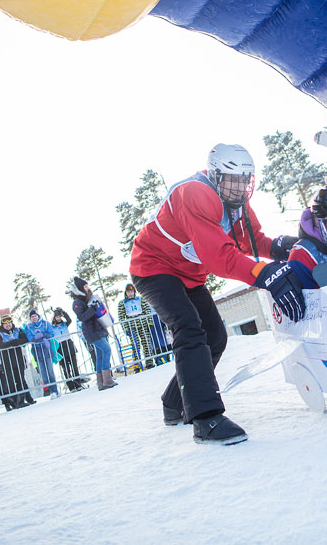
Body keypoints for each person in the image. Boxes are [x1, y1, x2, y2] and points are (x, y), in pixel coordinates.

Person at [129, 143, 311, 445]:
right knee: (188, 327)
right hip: (153, 267)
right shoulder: (195, 194)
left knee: (215, 336)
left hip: (188, 274)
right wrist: (264, 275)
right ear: (216, 176)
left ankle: (174, 403)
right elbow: (221, 257)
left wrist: (287, 246)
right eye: (233, 179)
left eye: (244, 179)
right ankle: (205, 419)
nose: (239, 186)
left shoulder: (236, 200)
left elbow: (250, 241)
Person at [70, 277, 118, 391]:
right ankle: (107, 379)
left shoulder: (86, 298)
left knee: (100, 355)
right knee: (106, 350)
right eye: (85, 287)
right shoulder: (77, 302)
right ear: (80, 289)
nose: (87, 288)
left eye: (87, 286)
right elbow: (82, 317)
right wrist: (93, 308)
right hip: (91, 331)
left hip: (98, 328)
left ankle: (101, 382)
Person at [0, 312, 36, 408]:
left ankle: (24, 400)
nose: (8, 325)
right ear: (2, 325)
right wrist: (12, 343)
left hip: (18, 358)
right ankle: (14, 402)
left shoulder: (17, 330)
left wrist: (16, 342)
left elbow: (25, 339)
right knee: (11, 382)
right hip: (7, 361)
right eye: (5, 323)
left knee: (20, 379)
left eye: (9, 323)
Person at [117, 283, 158, 370]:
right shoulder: (122, 303)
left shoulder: (140, 299)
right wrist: (126, 328)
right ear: (126, 292)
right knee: (136, 346)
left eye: (132, 291)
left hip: (143, 325)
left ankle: (149, 363)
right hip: (132, 327)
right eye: (128, 291)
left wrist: (149, 323)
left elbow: (147, 310)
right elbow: (121, 317)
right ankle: (137, 364)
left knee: (146, 343)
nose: (130, 293)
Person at [23, 309, 59, 398]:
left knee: (50, 371)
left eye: (35, 316)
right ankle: (51, 390)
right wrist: (38, 337)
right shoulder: (29, 327)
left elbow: (50, 333)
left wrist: (42, 335)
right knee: (43, 374)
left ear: (38, 316)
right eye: (32, 317)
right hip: (37, 351)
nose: (34, 318)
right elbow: (30, 338)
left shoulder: (45, 323)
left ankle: (55, 390)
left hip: (46, 349)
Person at [50, 307, 86, 392]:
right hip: (60, 347)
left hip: (68, 344)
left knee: (74, 366)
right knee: (66, 368)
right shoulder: (52, 327)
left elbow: (69, 319)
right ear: (54, 318)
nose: (58, 318)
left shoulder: (64, 324)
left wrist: (63, 312)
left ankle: (78, 384)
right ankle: (71, 386)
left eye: (59, 316)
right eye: (57, 317)